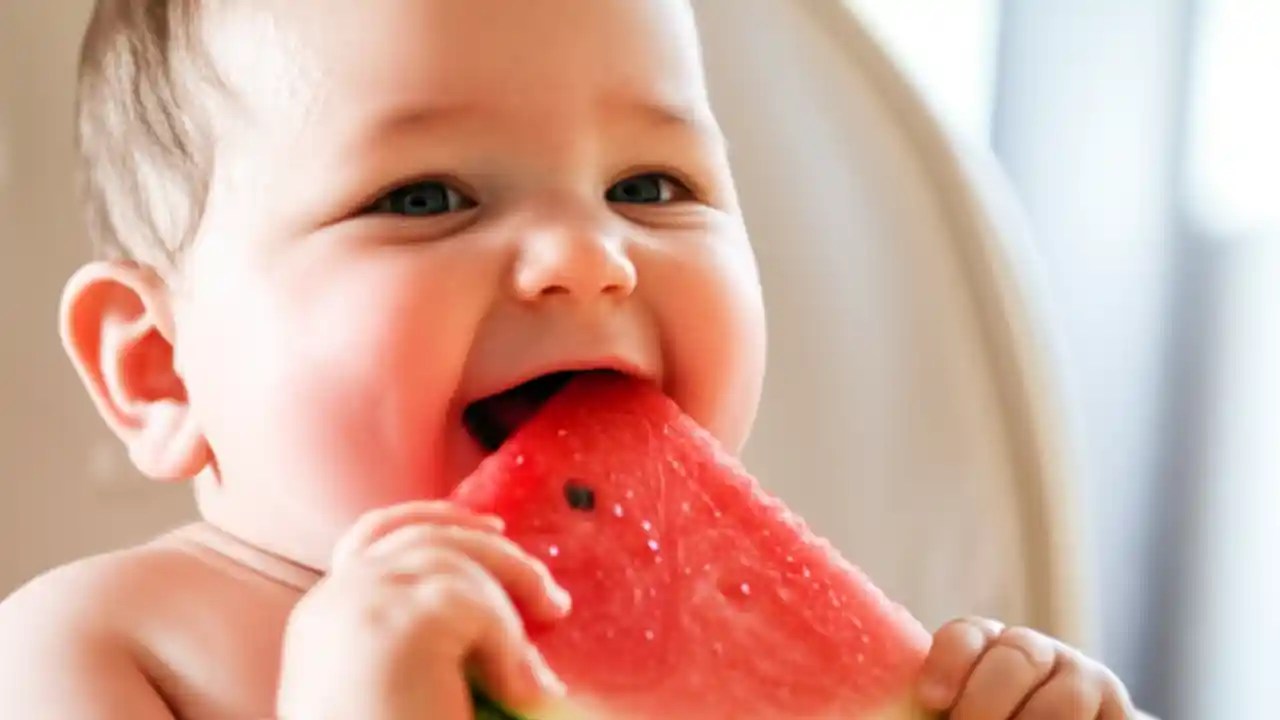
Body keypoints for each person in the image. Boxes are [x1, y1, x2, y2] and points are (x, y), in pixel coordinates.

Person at [0, 0, 1139, 717]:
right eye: (425, 197)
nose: (588, 256)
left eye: (651, 186)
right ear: (158, 369)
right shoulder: (101, 648)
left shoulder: (729, 623)